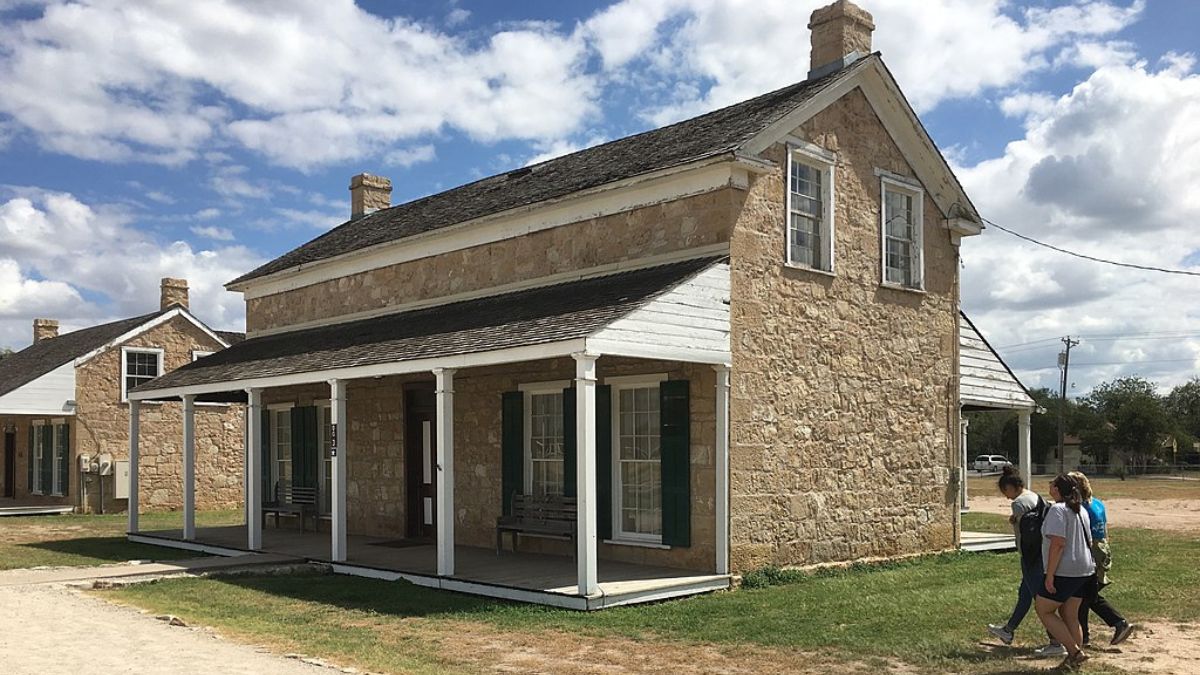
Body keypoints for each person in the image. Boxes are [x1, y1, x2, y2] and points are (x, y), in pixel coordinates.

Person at [987, 466, 1062, 655]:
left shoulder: (1018, 503)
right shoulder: (1033, 495)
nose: (1006, 497)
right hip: (1040, 553)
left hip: (1030, 556)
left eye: (1005, 492)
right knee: (1025, 594)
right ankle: (1008, 630)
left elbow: (1026, 531)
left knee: (1040, 600)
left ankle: (1056, 642)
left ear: (1011, 487)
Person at [1035, 474, 1096, 671]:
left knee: (1043, 609)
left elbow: (1058, 544)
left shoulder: (1058, 510)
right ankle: (1073, 661)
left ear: (1058, 490)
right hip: (1085, 569)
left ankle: (1075, 652)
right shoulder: (1080, 511)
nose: (1049, 486)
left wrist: (1050, 575)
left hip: (1066, 570)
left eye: (1052, 484)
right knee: (1070, 614)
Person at [1068, 471, 1136, 646]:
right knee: (1085, 596)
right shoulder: (1098, 503)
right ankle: (1085, 638)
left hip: (1091, 552)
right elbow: (1105, 530)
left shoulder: (1081, 508)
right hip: (1103, 550)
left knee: (1084, 597)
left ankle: (1118, 623)